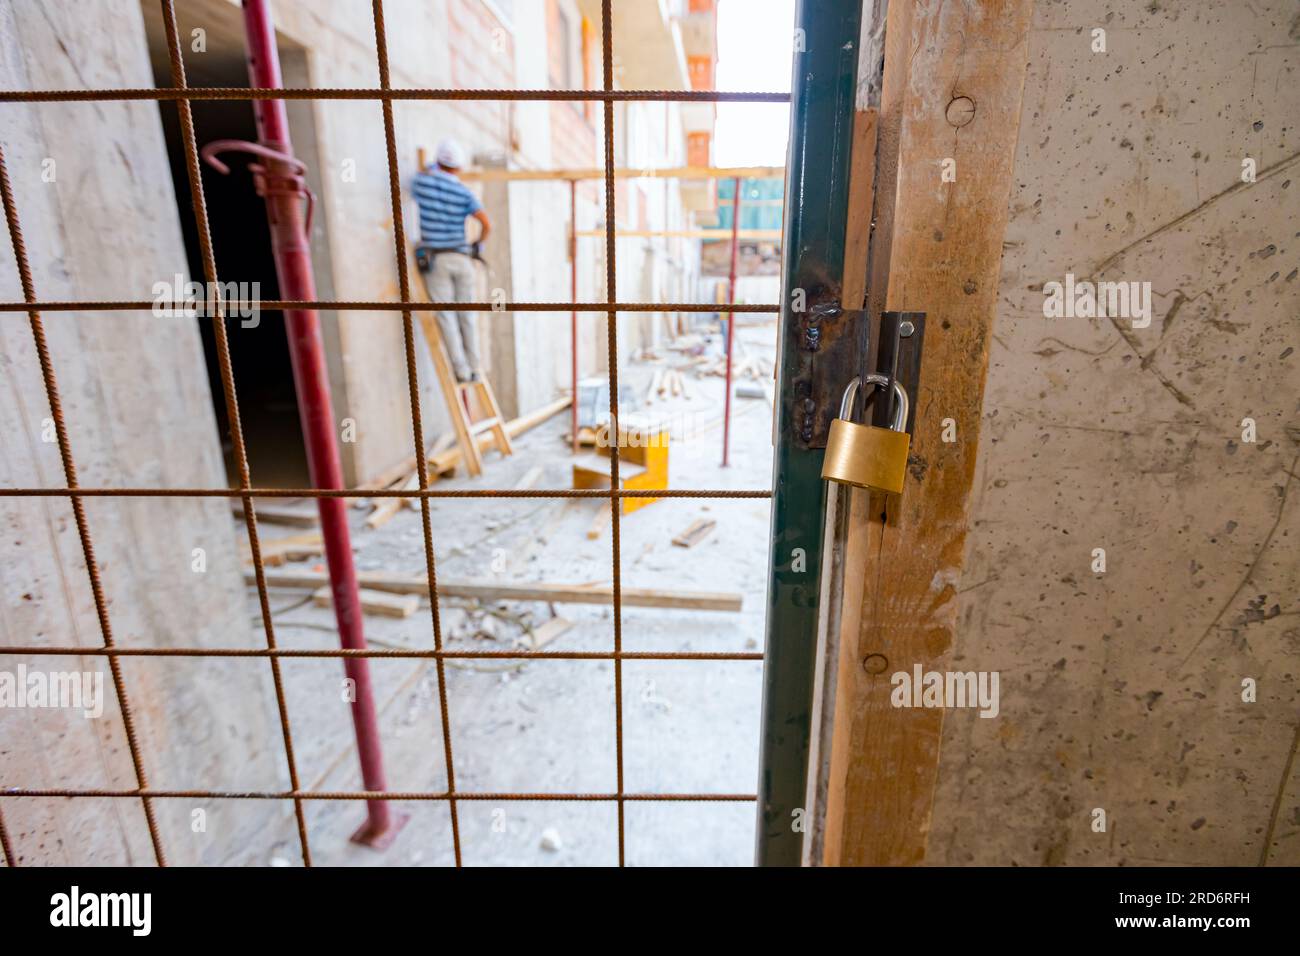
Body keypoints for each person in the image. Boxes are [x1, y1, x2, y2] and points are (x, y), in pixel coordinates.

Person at [412, 138, 492, 383]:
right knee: (467, 314)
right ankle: (475, 368)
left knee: (446, 315)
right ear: (458, 167)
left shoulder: (422, 182)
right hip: (462, 257)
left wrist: (429, 167)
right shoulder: (462, 192)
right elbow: (487, 224)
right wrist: (478, 244)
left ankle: (461, 370)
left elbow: (422, 175)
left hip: (437, 260)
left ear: (438, 162)